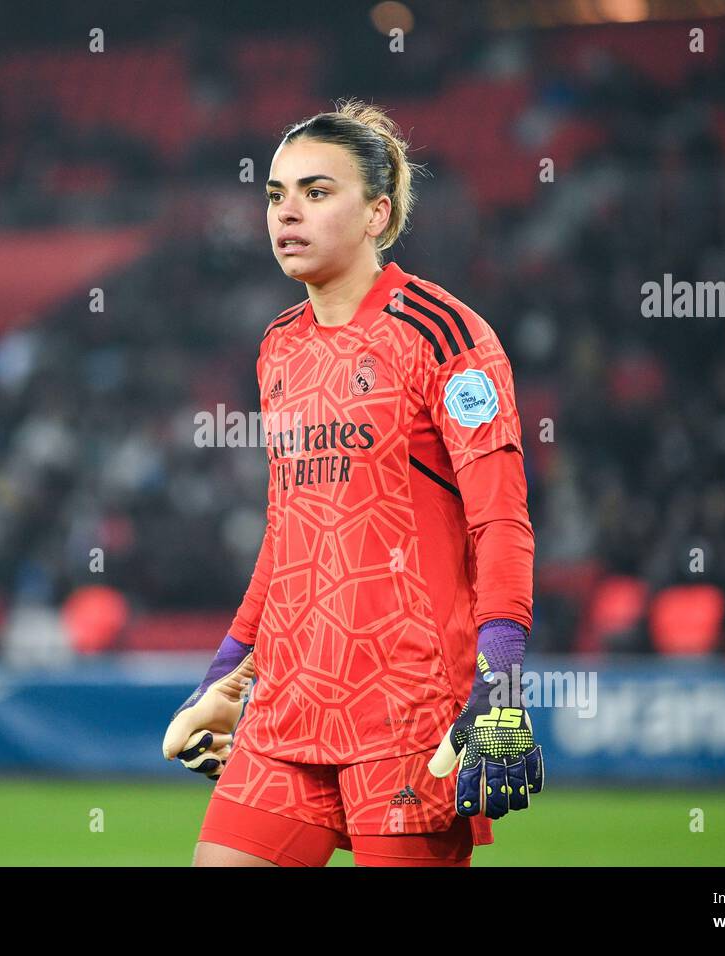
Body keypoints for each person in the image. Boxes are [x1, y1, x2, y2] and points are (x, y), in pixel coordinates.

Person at [165, 99, 542, 867]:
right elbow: (288, 531)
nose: (286, 214)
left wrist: (500, 687)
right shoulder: (278, 348)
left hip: (405, 708)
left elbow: (499, 523)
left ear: (377, 213)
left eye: (316, 191)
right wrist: (224, 673)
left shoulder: (444, 333)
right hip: (285, 703)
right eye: (275, 195)